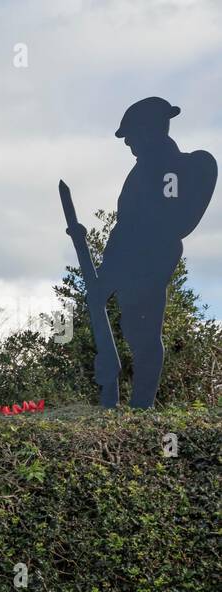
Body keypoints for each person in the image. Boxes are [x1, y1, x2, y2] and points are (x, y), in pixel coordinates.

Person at [86, 97, 216, 407]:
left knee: (144, 336)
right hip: (128, 260)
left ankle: (141, 406)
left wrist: (111, 273)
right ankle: (123, 402)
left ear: (151, 129)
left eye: (131, 134)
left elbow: (155, 224)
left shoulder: (173, 168)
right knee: (133, 331)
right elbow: (126, 225)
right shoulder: (143, 171)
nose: (128, 142)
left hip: (149, 260)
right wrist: (106, 276)